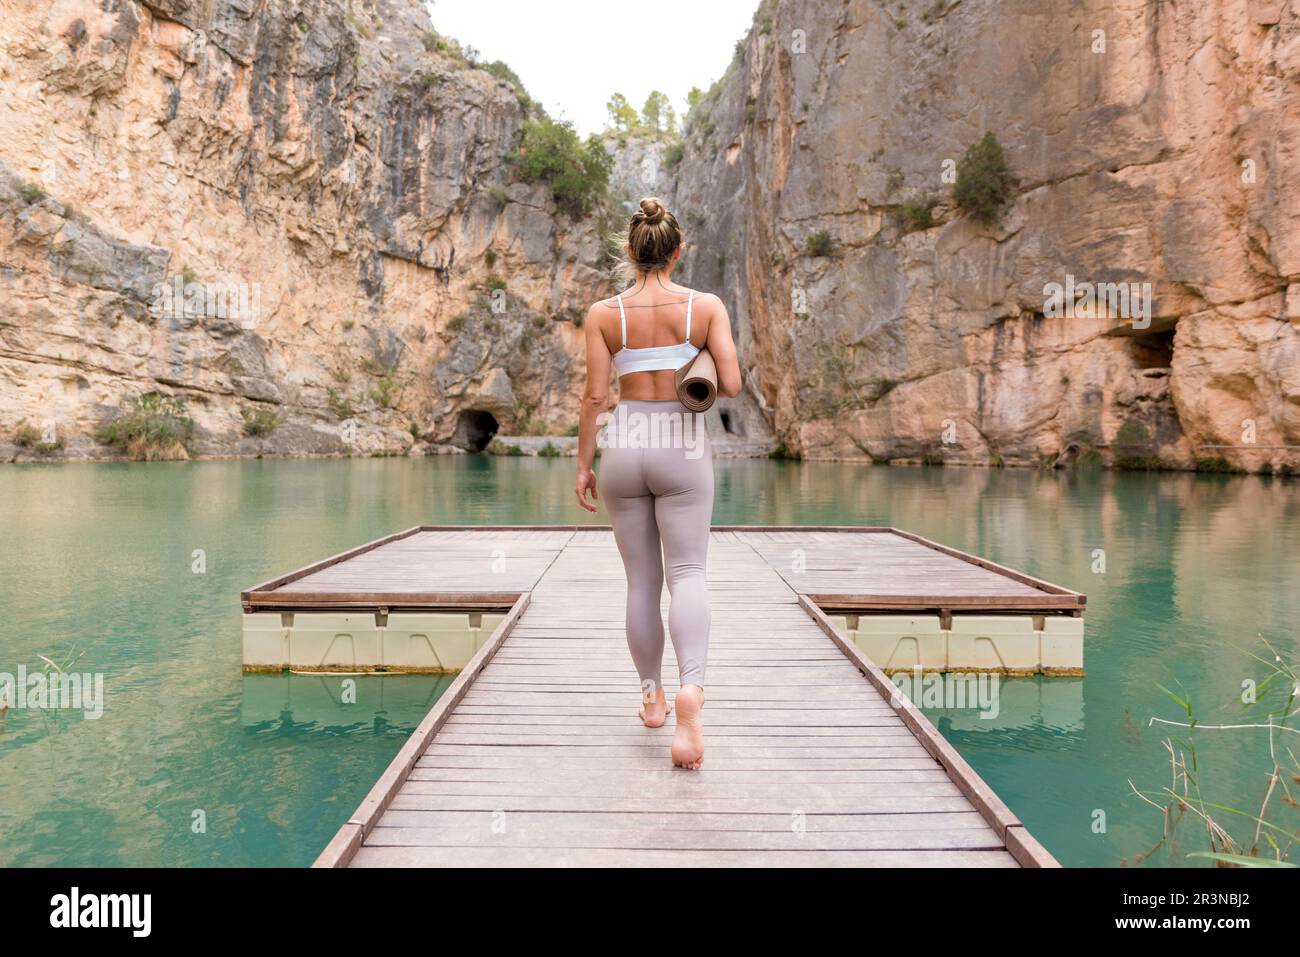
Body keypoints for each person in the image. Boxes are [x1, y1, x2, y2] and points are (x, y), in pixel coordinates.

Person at [574, 197, 742, 770]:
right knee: (689, 572)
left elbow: (596, 398)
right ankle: (691, 687)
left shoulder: (604, 314)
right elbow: (734, 385)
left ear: (630, 250)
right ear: (677, 250)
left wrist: (582, 465)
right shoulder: (706, 307)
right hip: (682, 446)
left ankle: (652, 696)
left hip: (623, 446)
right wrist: (697, 351)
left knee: (641, 582)